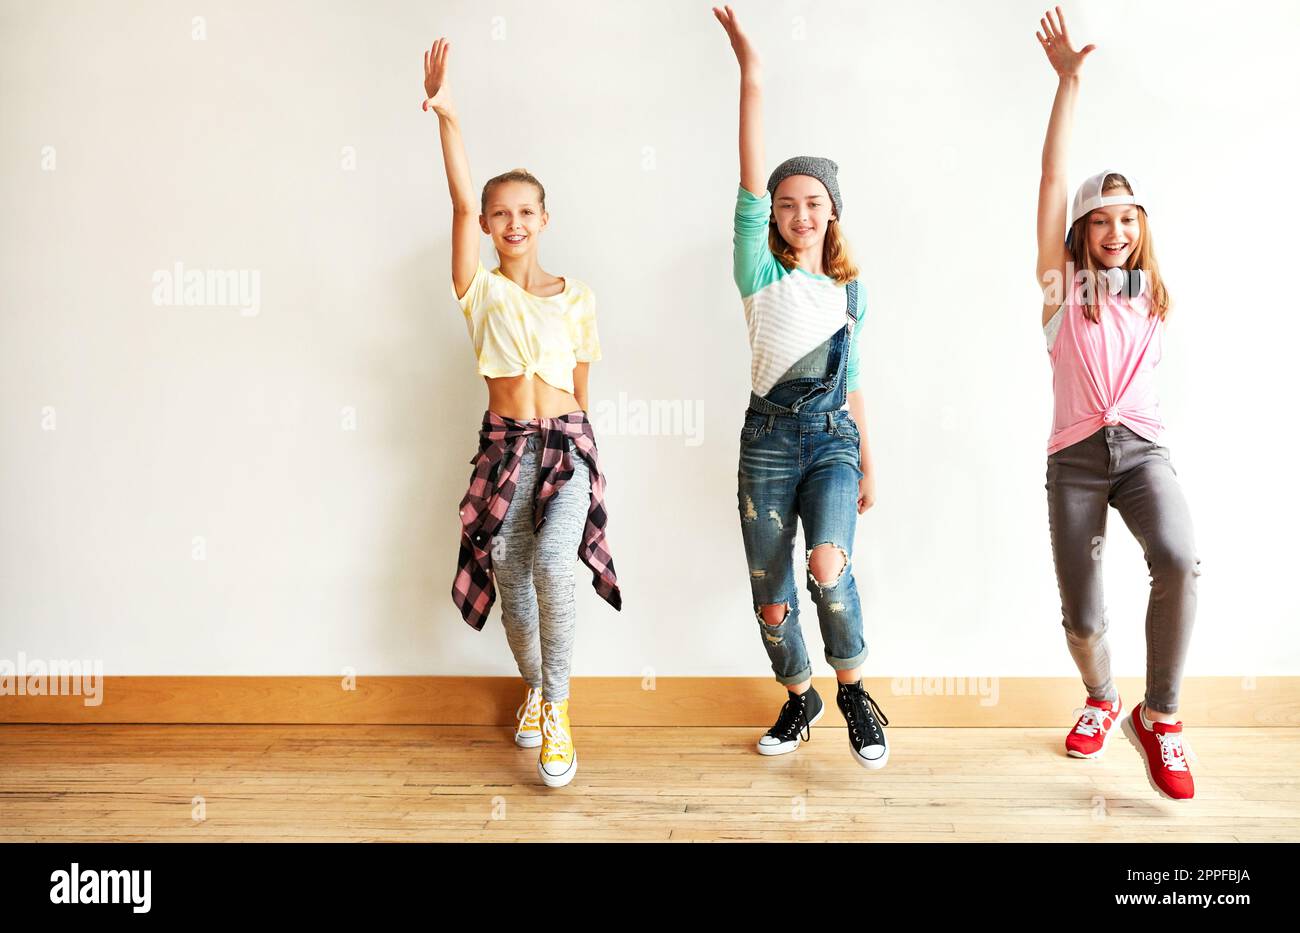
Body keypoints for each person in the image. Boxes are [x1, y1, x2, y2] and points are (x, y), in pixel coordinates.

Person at [426, 37, 622, 789]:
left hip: (567, 448)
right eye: (500, 213)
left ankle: (562, 709)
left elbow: (580, 382)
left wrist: (586, 454)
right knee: (513, 584)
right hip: (504, 448)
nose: (512, 222)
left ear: (545, 219)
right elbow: (456, 197)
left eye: (525, 211)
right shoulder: (480, 290)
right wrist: (447, 115)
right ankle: (537, 688)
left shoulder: (577, 295)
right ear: (488, 225)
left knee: (551, 563)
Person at [714, 6, 888, 770]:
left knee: (827, 565)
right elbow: (751, 171)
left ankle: (853, 690)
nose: (798, 213)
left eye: (812, 202)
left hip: (832, 443)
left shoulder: (851, 291)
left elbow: (854, 383)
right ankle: (799, 695)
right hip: (767, 444)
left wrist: (870, 460)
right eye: (786, 204)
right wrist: (750, 67)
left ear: (832, 213)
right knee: (773, 595)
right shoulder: (759, 273)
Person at [1034, 6, 1200, 800]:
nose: (1115, 228)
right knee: (1084, 614)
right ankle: (1102, 699)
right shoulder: (1060, 289)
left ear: (1142, 227)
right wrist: (1068, 83)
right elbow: (1049, 180)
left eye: (1128, 217)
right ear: (1080, 231)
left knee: (1177, 557)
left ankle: (1158, 718)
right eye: (1099, 218)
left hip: (1142, 454)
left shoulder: (1155, 295)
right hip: (1073, 461)